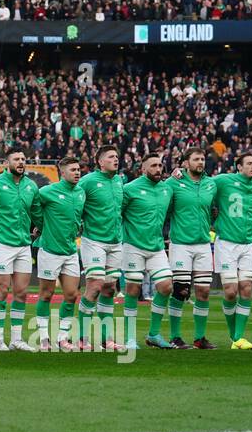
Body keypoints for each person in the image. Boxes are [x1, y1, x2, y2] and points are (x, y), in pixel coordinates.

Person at [0, 147, 40, 352]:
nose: (21, 162)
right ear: (7, 163)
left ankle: (16, 339)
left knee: (22, 292)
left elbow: (36, 211)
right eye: (16, 159)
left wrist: (38, 226)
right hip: (1, 244)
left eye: (23, 159)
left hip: (24, 245)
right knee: (1, 291)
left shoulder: (31, 186)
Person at [165, 146, 218, 349]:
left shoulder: (211, 184)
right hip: (181, 244)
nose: (200, 162)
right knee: (181, 290)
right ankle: (175, 336)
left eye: (203, 159)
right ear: (186, 163)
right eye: (196, 159)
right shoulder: (173, 183)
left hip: (204, 244)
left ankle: (199, 337)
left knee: (204, 291)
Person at [31, 156, 85, 351]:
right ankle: (45, 338)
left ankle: (62, 338)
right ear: (62, 173)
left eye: (78, 169)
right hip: (50, 250)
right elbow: (33, 207)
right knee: (47, 294)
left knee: (72, 295)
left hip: (70, 250)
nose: (77, 172)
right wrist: (40, 225)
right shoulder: (47, 191)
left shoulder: (80, 192)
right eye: (73, 170)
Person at [122, 152, 175, 350]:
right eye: (153, 166)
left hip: (157, 247)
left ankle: (153, 334)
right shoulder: (129, 189)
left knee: (166, 287)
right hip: (133, 246)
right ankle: (129, 338)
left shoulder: (166, 189)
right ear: (143, 169)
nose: (158, 169)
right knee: (133, 289)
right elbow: (117, 212)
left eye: (160, 165)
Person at [212, 151, 252, 349]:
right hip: (226, 243)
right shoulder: (224, 181)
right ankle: (235, 336)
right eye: (249, 163)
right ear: (239, 167)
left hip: (249, 244)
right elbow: (204, 184)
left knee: (247, 289)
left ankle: (238, 338)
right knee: (231, 291)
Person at [76, 145, 124, 351]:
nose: (116, 159)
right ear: (100, 161)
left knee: (109, 289)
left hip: (115, 242)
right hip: (94, 241)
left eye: (117, 156)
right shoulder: (87, 181)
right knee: (95, 286)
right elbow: (74, 202)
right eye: (111, 157)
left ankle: (106, 339)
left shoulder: (120, 181)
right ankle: (81, 338)